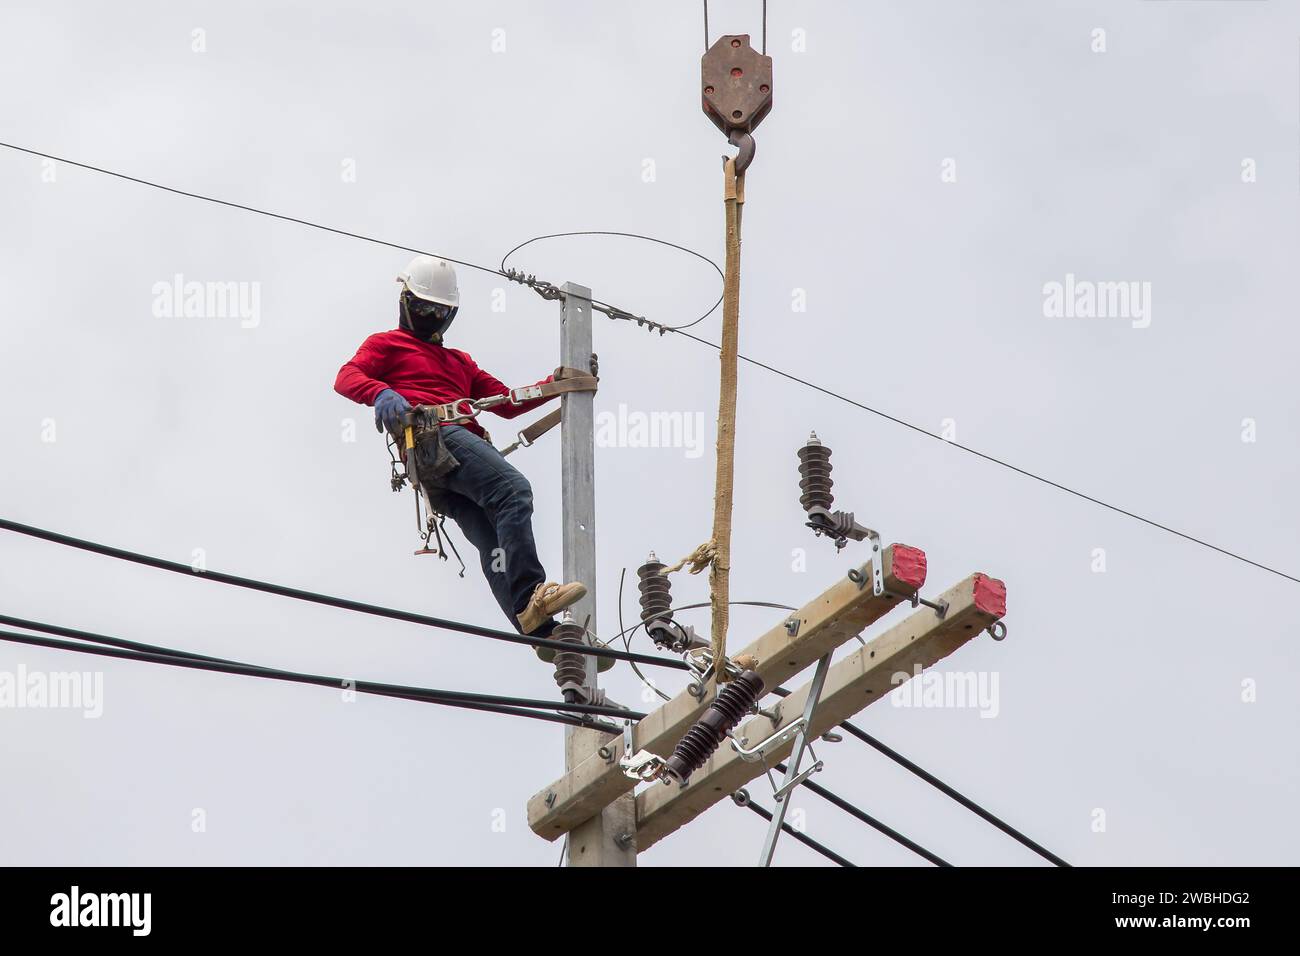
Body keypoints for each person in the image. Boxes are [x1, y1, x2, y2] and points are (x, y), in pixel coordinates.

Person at [334, 255, 595, 661]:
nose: (430, 317)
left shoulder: (460, 362)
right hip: (434, 440)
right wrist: (380, 392)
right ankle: (533, 592)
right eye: (423, 308)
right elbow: (347, 377)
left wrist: (560, 383)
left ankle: (539, 629)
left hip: (449, 467)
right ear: (405, 302)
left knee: (492, 539)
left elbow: (506, 403)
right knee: (513, 491)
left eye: (438, 311)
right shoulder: (386, 344)